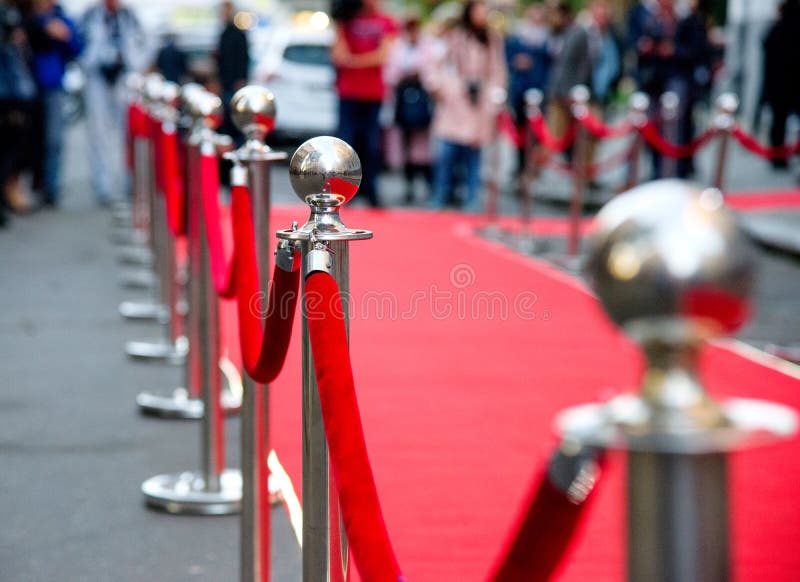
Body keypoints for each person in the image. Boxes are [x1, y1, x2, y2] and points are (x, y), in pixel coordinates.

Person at [425, 0, 506, 212]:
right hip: (455, 99)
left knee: (473, 155)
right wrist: (439, 87)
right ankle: (441, 194)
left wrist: (495, 97)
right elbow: (437, 62)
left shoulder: (491, 39)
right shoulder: (456, 35)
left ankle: (471, 198)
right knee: (446, 153)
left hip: (479, 102)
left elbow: (498, 70)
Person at [331, 0, 398, 208]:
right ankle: (344, 189)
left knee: (371, 144)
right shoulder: (346, 18)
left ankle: (370, 189)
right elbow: (338, 54)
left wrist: (354, 61)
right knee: (346, 144)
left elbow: (383, 56)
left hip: (373, 94)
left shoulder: (386, 21)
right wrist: (360, 60)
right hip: (348, 93)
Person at [79, 0, 147, 206]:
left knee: (128, 131)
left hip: (123, 77)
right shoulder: (90, 15)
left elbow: (144, 43)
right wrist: (90, 60)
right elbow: (79, 45)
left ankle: (130, 181)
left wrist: (135, 63)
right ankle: (103, 184)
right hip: (97, 76)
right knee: (98, 133)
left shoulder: (129, 15)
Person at [637, 0, 711, 178]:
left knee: (675, 125)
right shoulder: (652, 20)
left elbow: (699, 51)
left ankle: (676, 170)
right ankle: (657, 169)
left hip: (678, 79)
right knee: (655, 127)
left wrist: (674, 50)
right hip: (656, 82)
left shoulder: (688, 19)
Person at [25, 0, 81, 207]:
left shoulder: (59, 17)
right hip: (24, 87)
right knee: (29, 140)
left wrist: (64, 35)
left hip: (51, 86)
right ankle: (32, 185)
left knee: (53, 139)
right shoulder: (26, 16)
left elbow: (76, 48)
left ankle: (50, 187)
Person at [386, 16, 434, 205]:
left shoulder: (428, 48)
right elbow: (391, 73)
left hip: (422, 101)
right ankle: (409, 185)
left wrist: (420, 74)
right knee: (405, 144)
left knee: (424, 146)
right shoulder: (398, 48)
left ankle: (428, 184)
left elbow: (432, 71)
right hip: (404, 101)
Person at [505, 3, 550, 188]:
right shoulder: (517, 37)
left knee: (537, 133)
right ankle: (520, 167)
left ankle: (533, 168)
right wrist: (515, 63)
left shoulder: (547, 39)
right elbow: (507, 58)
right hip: (520, 91)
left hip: (539, 90)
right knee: (520, 132)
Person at [0, 0, 37, 223]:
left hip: (15, 95)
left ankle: (7, 196)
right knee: (7, 151)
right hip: (9, 96)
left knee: (13, 150)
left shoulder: (13, 14)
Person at [762, 0, 800, 170]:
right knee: (780, 122)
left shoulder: (776, 31)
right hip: (789, 86)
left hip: (779, 86)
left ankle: (778, 157)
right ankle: (779, 157)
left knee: (778, 122)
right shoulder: (791, 31)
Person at [216, 0, 248, 140]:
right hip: (225, 81)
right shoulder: (224, 34)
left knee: (236, 116)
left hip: (235, 82)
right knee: (227, 117)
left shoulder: (238, 34)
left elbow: (243, 58)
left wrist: (241, 79)